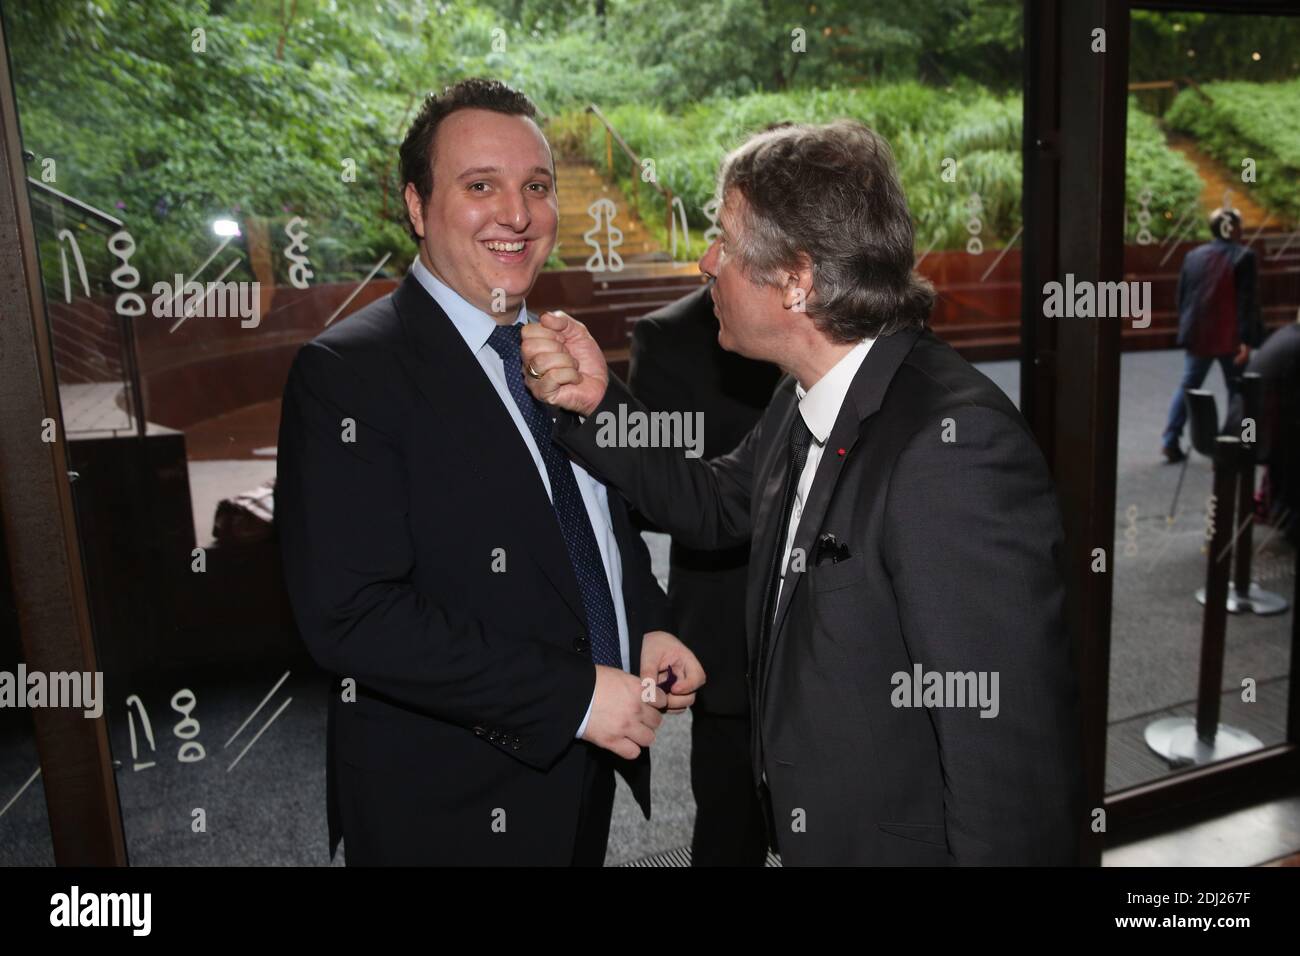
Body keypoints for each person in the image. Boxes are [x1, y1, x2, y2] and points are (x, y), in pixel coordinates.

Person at [520, 120, 1084, 865]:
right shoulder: (808, 395)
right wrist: (600, 405)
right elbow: (718, 503)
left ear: (797, 279)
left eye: (724, 239)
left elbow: (1007, 761)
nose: (705, 262)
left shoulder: (953, 452)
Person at [276, 78, 703, 866]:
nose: (517, 214)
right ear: (416, 205)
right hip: (449, 801)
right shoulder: (347, 372)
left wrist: (645, 622)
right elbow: (350, 615)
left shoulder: (556, 346)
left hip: (581, 775)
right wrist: (574, 696)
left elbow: (598, 520)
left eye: (536, 187)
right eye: (481, 186)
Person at [629, 282, 780, 866]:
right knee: (729, 817)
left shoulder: (850, 314)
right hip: (729, 619)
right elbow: (653, 497)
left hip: (841, 625)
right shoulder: (669, 336)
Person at [1161, 207, 1263, 463]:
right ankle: (1236, 444)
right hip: (1231, 337)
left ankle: (1170, 439)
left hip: (1199, 334)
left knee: (1188, 386)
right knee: (1239, 391)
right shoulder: (1244, 256)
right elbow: (1246, 302)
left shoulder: (1194, 255)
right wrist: (1248, 340)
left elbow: (1182, 296)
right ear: (1233, 228)